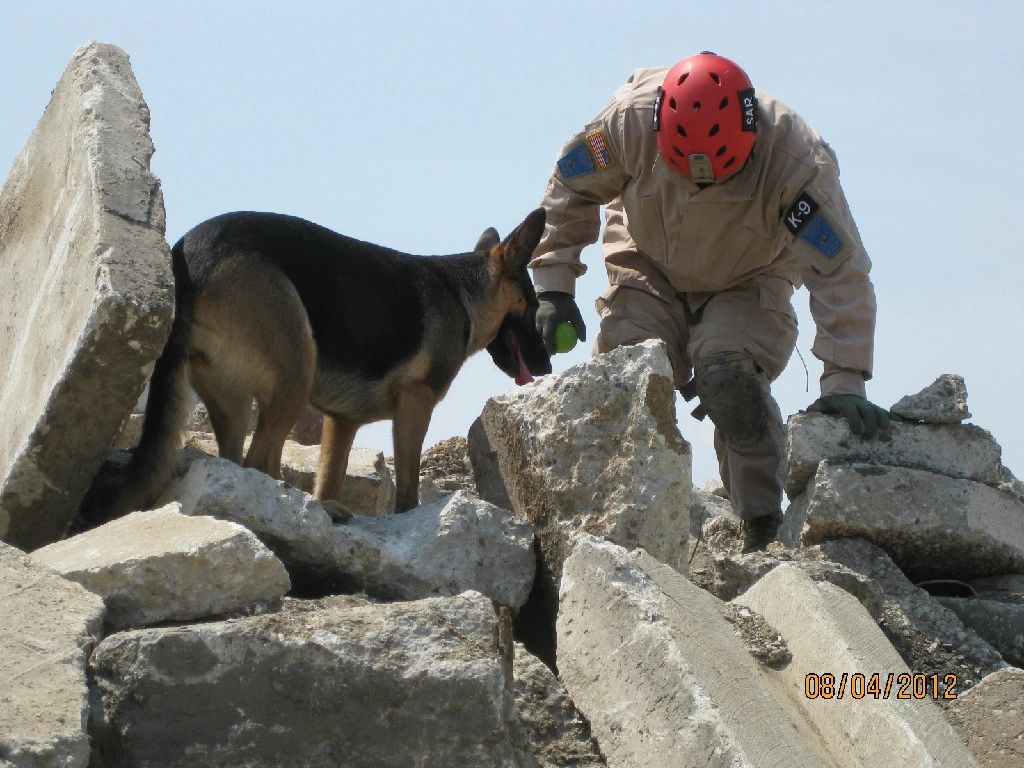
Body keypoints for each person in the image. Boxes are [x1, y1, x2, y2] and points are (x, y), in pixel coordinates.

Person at [531, 52, 889, 552]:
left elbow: (840, 273)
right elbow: (570, 186)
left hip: (750, 273)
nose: (699, 185)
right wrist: (552, 283)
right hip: (646, 255)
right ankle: (615, 527)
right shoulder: (628, 121)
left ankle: (762, 529)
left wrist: (845, 377)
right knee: (630, 376)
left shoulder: (798, 163)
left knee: (730, 378)